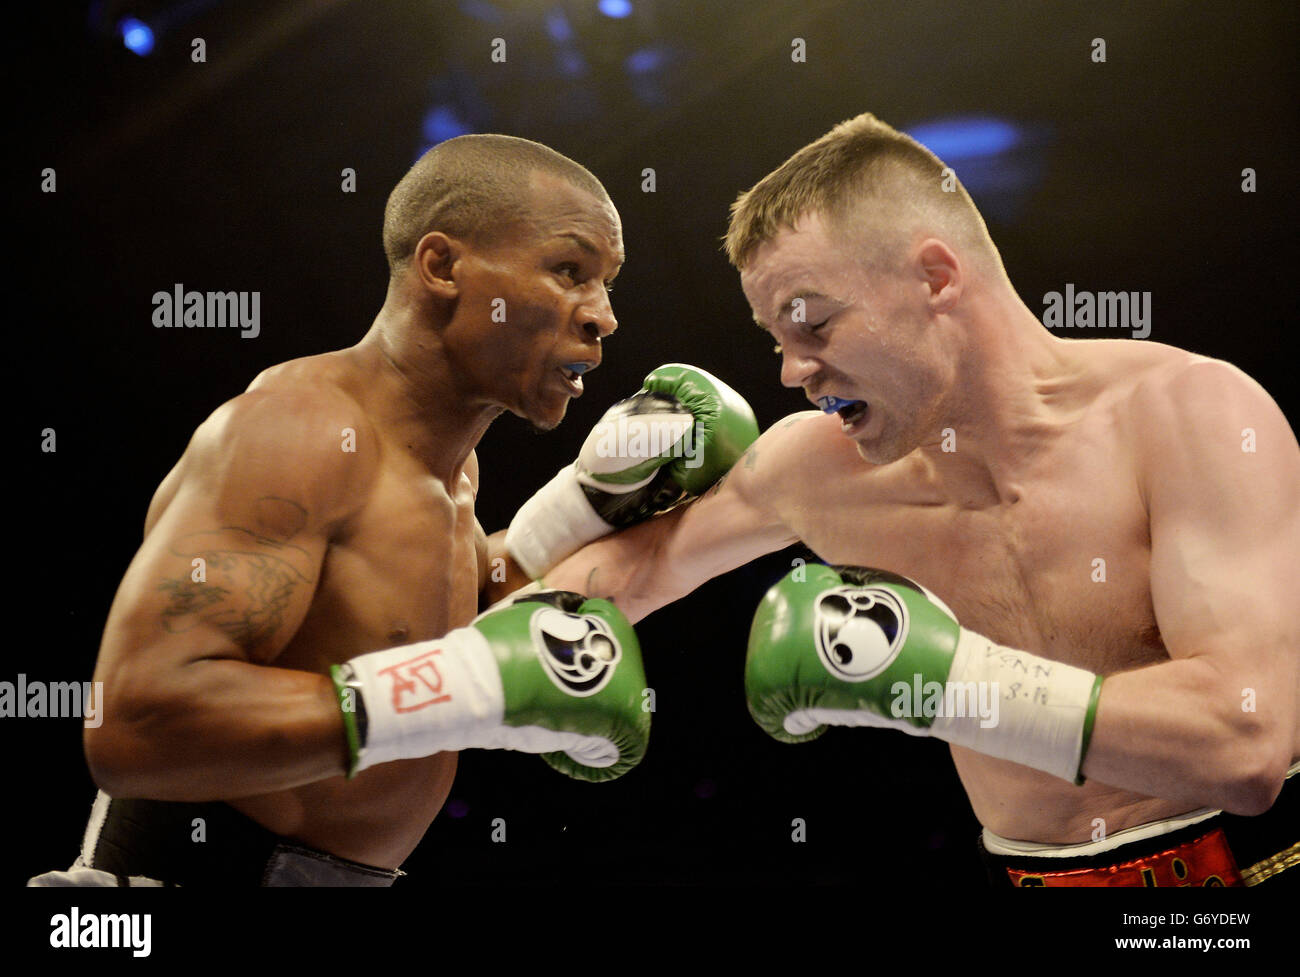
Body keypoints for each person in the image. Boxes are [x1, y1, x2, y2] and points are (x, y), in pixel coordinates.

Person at [510, 112, 1300, 887]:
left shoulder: (1190, 415)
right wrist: (563, 516)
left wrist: (951, 688)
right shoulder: (814, 470)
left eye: (812, 323)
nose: (793, 371)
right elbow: (610, 584)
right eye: (777, 339)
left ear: (936, 277)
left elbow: (1245, 742)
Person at [29, 134, 752, 887]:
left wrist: (590, 503)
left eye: (606, 283)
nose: (602, 316)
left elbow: (435, 621)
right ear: (442, 266)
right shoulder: (297, 432)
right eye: (569, 271)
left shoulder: (450, 469)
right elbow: (140, 724)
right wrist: (465, 688)